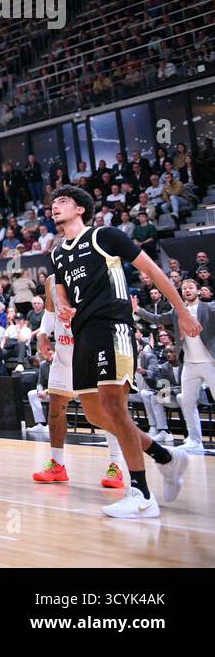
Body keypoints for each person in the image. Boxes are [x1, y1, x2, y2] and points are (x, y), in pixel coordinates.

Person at [48, 185, 195, 518]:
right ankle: (166, 457)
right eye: (53, 203)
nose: (55, 207)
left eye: (63, 201)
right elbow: (59, 287)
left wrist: (182, 311)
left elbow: (152, 271)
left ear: (80, 209)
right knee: (95, 414)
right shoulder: (58, 252)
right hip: (82, 332)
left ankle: (141, 494)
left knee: (114, 407)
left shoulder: (106, 237)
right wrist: (62, 305)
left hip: (112, 326)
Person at [29, 272, 127, 489]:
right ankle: (58, 464)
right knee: (55, 408)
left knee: (102, 413)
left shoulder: (91, 273)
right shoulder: (51, 281)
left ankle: (116, 464)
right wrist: (43, 334)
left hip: (89, 349)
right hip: (63, 352)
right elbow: (49, 312)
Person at [133, 278, 214, 454]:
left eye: (191, 288)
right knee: (187, 401)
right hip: (189, 364)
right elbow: (157, 318)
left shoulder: (209, 308)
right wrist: (138, 310)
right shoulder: (178, 312)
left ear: (198, 291)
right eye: (184, 288)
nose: (187, 291)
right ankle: (195, 441)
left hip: (210, 362)